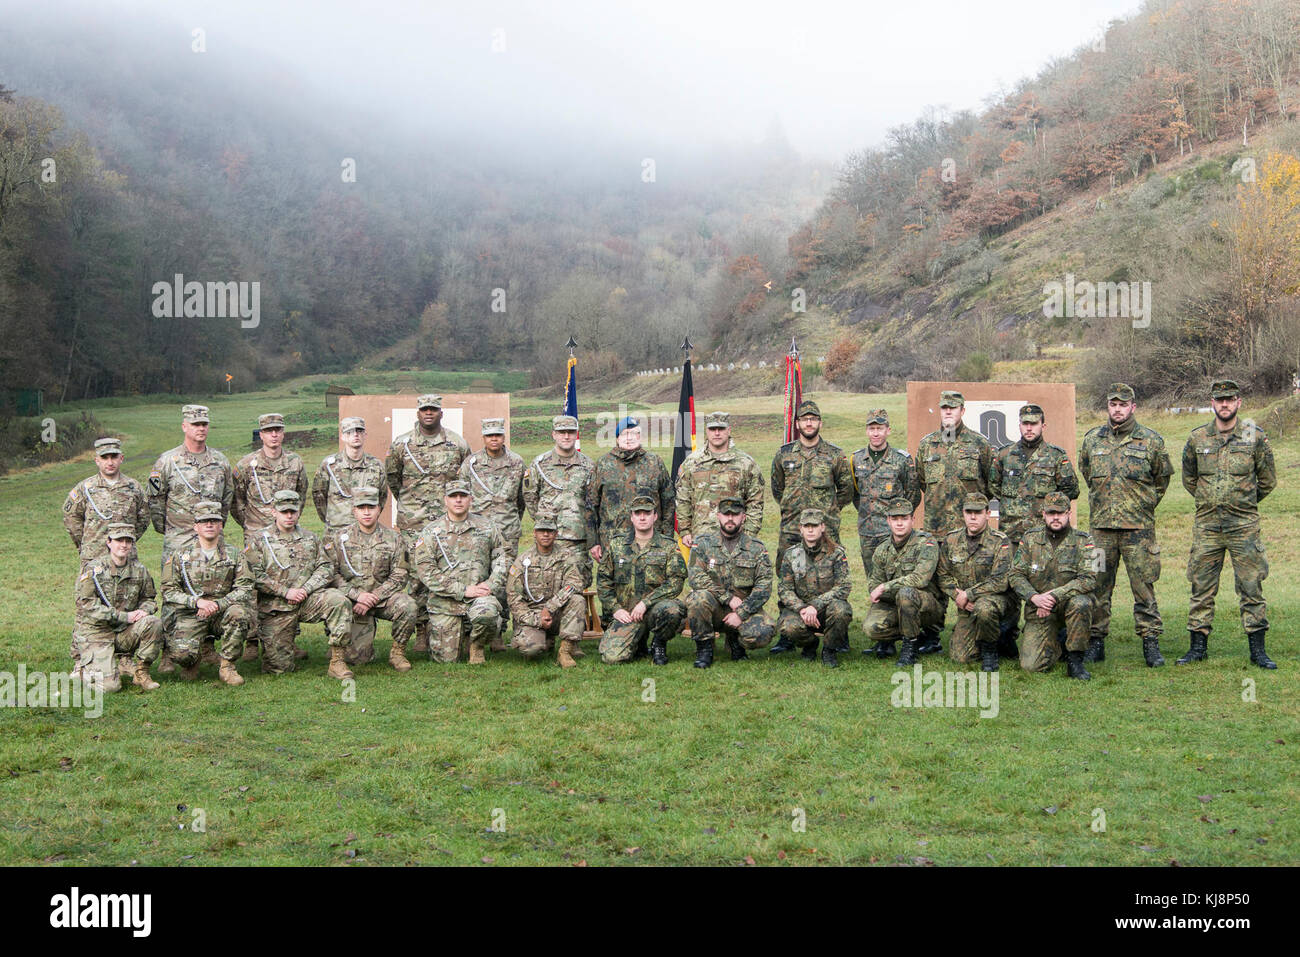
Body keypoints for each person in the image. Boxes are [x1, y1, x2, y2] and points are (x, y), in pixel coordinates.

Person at [1178, 379, 1278, 668]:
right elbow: (1189, 478)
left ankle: (1258, 650)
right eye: (1219, 399)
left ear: (1239, 403)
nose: (1224, 404)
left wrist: (1242, 501)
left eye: (1230, 399)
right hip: (1208, 526)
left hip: (1243, 526)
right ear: (1212, 402)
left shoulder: (1254, 437)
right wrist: (1210, 499)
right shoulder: (1197, 438)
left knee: (1251, 586)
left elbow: (1268, 480)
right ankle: (1198, 648)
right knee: (1201, 586)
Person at [1078, 383, 1173, 666]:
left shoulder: (1151, 441)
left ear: (1133, 407)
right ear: (1107, 406)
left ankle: (1151, 642)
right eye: (1112, 404)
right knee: (1096, 587)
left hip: (1138, 530)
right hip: (1101, 529)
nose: (1117, 409)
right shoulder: (1092, 440)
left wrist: (1141, 504)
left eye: (1123, 404)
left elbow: (1162, 480)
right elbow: (1086, 472)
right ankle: (1096, 641)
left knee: (1144, 588)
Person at [988, 403, 1079, 657]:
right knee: (1008, 588)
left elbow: (1071, 490)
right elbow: (993, 486)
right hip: (1012, 534)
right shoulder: (1005, 455)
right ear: (1019, 425)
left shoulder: (1056, 456)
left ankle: (1055, 637)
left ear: (1043, 426)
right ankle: (1006, 639)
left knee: (1049, 582)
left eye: (1034, 423)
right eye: (1025, 424)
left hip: (1045, 538)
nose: (1029, 428)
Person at [386, 394, 469, 656]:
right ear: (418, 413)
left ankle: (453, 628)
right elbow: (393, 480)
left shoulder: (456, 443)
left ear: (441, 413)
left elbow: (465, 480)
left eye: (433, 409)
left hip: (448, 523)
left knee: (451, 570)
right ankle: (421, 629)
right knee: (418, 576)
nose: (429, 413)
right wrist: (411, 505)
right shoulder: (402, 444)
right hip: (414, 522)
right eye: (424, 410)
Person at [240, 490, 353, 680]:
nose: (289, 515)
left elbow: (325, 567)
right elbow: (253, 575)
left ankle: (337, 661)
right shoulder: (259, 540)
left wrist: (305, 589)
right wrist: (286, 592)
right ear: (274, 512)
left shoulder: (311, 538)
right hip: (276, 607)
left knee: (338, 601)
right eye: (284, 511)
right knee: (278, 667)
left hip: (308, 601)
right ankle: (281, 645)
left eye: (293, 511)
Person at [915, 390, 994, 656]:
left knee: (976, 579)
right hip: (937, 528)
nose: (948, 412)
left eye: (953, 408)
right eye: (944, 408)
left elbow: (988, 486)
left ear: (962, 410)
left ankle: (985, 632)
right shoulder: (927, 445)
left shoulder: (979, 444)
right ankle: (931, 634)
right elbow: (922, 483)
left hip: (969, 531)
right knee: (935, 585)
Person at [63, 436, 149, 666]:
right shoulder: (86, 488)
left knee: (126, 602)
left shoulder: (133, 488)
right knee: (86, 605)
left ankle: (124, 657)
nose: (110, 462)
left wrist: (126, 544)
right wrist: (85, 544)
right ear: (96, 460)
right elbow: (71, 517)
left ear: (121, 458)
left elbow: (143, 518)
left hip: (125, 558)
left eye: (114, 457)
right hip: (94, 556)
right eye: (104, 458)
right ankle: (80, 657)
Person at [321, 486, 418, 672]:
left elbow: (400, 575)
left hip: (382, 599)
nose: (366, 512)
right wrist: (357, 596)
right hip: (351, 602)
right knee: (359, 658)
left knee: (408, 605)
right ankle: (340, 652)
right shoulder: (339, 539)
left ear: (379, 509)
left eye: (371, 507)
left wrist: (373, 597)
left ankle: (398, 653)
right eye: (361, 507)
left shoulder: (394, 539)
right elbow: (331, 574)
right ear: (354, 509)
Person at [848, 409, 920, 657]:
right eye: (871, 428)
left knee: (901, 581)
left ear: (889, 430)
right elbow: (855, 495)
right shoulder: (856, 459)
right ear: (867, 430)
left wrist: (897, 521)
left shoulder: (902, 459)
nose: (875, 432)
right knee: (876, 584)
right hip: (868, 533)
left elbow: (912, 495)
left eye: (880, 427)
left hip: (896, 535)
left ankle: (908, 631)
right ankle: (884, 638)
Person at [410, 480, 507, 665]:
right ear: (445, 500)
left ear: (470, 499)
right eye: (453, 496)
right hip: (445, 602)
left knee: (487, 614)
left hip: (479, 597)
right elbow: (426, 571)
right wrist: (462, 590)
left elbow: (501, 559)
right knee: (446, 660)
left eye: (463, 496)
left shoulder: (487, 527)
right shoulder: (431, 532)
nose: (458, 500)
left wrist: (490, 584)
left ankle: (476, 646)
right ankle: (453, 634)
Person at [160, 501, 253, 686]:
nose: (209, 525)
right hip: (193, 613)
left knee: (239, 614)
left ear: (221, 525)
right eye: (204, 522)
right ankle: (193, 660)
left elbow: (245, 588)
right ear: (196, 527)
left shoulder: (235, 555)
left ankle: (227, 666)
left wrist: (219, 604)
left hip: (222, 612)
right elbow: (168, 591)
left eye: (213, 521)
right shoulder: (180, 556)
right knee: (180, 654)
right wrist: (196, 602)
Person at [1009, 492, 1099, 679]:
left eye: (1060, 513)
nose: (1055, 517)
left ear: (1069, 514)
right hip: (1039, 608)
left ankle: (1075, 661)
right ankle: (1057, 642)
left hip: (1069, 605)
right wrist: (1035, 597)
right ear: (1043, 515)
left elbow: (1090, 579)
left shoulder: (1086, 541)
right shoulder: (1029, 539)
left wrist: (1054, 596)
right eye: (1051, 513)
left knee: (1082, 603)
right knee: (1030, 666)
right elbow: (1015, 575)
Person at [684, 498, 776, 668]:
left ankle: (736, 642)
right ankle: (705, 649)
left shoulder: (757, 548)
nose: (730, 519)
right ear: (718, 516)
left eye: (735, 514)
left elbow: (764, 587)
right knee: (698, 598)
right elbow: (695, 576)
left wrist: (741, 613)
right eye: (726, 514)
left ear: (744, 517)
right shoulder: (702, 543)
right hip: (714, 609)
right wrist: (727, 598)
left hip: (744, 609)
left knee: (763, 633)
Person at [460, 416, 526, 653]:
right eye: (490, 435)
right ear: (484, 437)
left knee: (506, 580)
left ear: (503, 436)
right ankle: (473, 630)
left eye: (498, 435)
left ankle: (499, 631)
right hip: (477, 533)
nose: (494, 439)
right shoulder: (471, 464)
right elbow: (461, 497)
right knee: (477, 577)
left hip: (507, 531)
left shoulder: (517, 462)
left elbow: (521, 500)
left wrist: (508, 521)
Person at [596, 496, 687, 665]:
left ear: (655, 516)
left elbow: (676, 582)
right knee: (612, 658)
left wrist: (646, 603)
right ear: (632, 517)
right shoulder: (616, 545)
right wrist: (615, 609)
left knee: (672, 610)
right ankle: (638, 644)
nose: (642, 517)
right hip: (626, 614)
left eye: (647, 513)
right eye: (638, 513)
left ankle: (659, 643)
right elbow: (603, 582)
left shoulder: (668, 546)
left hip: (653, 611)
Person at [73, 523, 162, 693]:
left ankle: (141, 672)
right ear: (108, 542)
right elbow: (87, 606)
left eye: (128, 541)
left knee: (153, 623)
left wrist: (145, 610)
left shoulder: (139, 570)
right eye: (118, 540)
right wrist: (125, 617)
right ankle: (85, 669)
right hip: (97, 633)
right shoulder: (93, 570)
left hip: (124, 632)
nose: (123, 545)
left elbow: (149, 599)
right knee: (110, 687)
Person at [770, 399, 852, 571]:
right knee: (792, 575)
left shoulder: (834, 454)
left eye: (813, 419)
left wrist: (830, 509)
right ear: (797, 423)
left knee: (828, 575)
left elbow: (846, 489)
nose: (809, 423)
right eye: (805, 419)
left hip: (825, 528)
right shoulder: (784, 454)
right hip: (793, 528)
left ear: (820, 423)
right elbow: (777, 489)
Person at [936, 493, 1013, 671]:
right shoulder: (951, 540)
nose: (972, 517)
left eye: (978, 513)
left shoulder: (1000, 541)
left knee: (984, 609)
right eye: (969, 512)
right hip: (966, 605)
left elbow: (1000, 581)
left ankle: (990, 650)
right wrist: (958, 596)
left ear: (987, 514)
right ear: (962, 513)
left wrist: (969, 594)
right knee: (960, 657)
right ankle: (990, 636)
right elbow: (942, 575)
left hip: (997, 602)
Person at [148, 404, 233, 562]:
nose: (201, 429)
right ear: (184, 426)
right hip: (179, 540)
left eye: (204, 424)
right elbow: (155, 500)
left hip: (212, 541)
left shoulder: (220, 461)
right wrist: (169, 529)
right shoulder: (166, 461)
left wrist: (215, 525)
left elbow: (227, 497)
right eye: (195, 424)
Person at [863, 502, 943, 667]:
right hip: (895, 603)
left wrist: (886, 587)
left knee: (906, 593)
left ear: (912, 519)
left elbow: (920, 579)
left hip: (926, 605)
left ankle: (910, 647)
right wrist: (882, 589)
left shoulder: (926, 543)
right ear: (888, 521)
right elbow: (874, 584)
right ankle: (902, 636)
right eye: (895, 518)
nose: (899, 523)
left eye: (904, 518)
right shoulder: (882, 549)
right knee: (871, 628)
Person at [523, 414, 597, 591]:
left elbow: (594, 502)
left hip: (578, 540)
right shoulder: (540, 464)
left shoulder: (588, 465)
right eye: (561, 432)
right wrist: (544, 523)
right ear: (553, 434)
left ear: (576, 434)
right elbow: (530, 497)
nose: (566, 436)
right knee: (547, 586)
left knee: (577, 586)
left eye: (571, 432)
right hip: (549, 538)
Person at [587, 415, 675, 560]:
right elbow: (591, 505)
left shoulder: (655, 463)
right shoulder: (603, 464)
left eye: (634, 433)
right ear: (617, 438)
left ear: (640, 436)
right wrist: (593, 542)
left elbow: (669, 503)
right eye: (624, 434)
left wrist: (666, 539)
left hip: (651, 542)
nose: (629, 438)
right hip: (612, 542)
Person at [506, 513, 587, 667]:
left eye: (549, 531)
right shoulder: (523, 561)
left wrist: (550, 607)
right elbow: (513, 598)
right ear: (534, 533)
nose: (545, 534)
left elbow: (575, 584)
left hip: (558, 613)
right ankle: (544, 640)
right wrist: (537, 620)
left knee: (578, 600)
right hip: (532, 616)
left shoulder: (566, 557)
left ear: (556, 534)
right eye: (541, 531)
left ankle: (565, 651)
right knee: (531, 650)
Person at [775, 508, 853, 668]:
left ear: (822, 527)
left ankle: (829, 649)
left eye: (815, 526)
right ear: (800, 529)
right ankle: (810, 644)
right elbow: (784, 590)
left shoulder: (836, 553)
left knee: (841, 611)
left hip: (826, 609)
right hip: (802, 610)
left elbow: (843, 587)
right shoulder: (791, 555)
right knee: (788, 626)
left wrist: (815, 606)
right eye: (806, 526)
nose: (811, 530)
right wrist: (803, 608)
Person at [675, 411, 764, 546]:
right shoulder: (691, 463)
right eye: (712, 429)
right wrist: (685, 530)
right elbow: (683, 499)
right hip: (700, 537)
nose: (717, 433)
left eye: (721, 429)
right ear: (706, 431)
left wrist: (749, 534)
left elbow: (755, 502)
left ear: (729, 430)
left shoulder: (746, 464)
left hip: (735, 538)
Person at [231, 413, 309, 543]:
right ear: (261, 435)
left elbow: (301, 495)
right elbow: (236, 501)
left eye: (278, 430)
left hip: (287, 533)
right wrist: (250, 523)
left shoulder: (295, 462)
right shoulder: (246, 465)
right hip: (256, 535)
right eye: (268, 431)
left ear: (283, 433)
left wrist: (289, 519)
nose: (274, 435)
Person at [311, 416, 389, 532]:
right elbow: (319, 496)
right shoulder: (329, 465)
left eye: (359, 431)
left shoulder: (376, 466)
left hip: (365, 531)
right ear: (343, 436)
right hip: (336, 530)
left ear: (365, 435)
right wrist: (332, 519)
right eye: (350, 432)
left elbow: (381, 497)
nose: (356, 435)